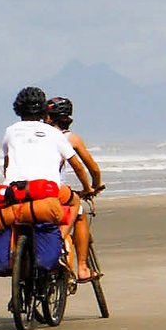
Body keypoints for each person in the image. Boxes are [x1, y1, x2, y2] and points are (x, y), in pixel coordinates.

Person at [1, 86, 92, 276]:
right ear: (44, 110)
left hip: (16, 190)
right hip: (47, 191)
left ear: (18, 109)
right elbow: (78, 166)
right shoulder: (54, 134)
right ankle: (60, 240)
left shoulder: (10, 131)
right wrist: (88, 187)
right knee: (75, 202)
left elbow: (7, 163)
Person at [47, 95, 104, 282]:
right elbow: (91, 168)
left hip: (30, 189)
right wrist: (94, 186)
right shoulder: (69, 138)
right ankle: (82, 267)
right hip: (57, 192)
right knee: (78, 214)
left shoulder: (39, 136)